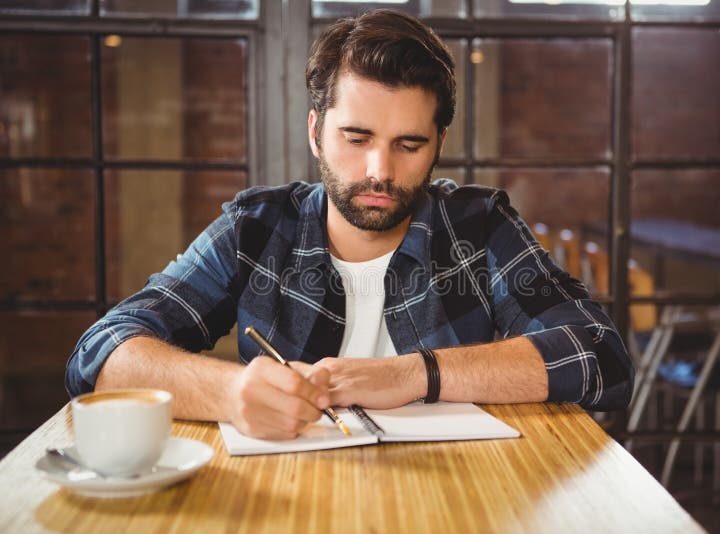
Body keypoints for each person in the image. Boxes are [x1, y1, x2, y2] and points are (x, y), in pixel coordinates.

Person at [66, 9, 633, 440]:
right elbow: (100, 355)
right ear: (316, 132)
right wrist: (231, 391)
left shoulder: (479, 225)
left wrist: (416, 375)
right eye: (356, 139)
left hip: (463, 503)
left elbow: (600, 357)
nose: (379, 171)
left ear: (438, 143)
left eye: (409, 144)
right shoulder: (257, 228)